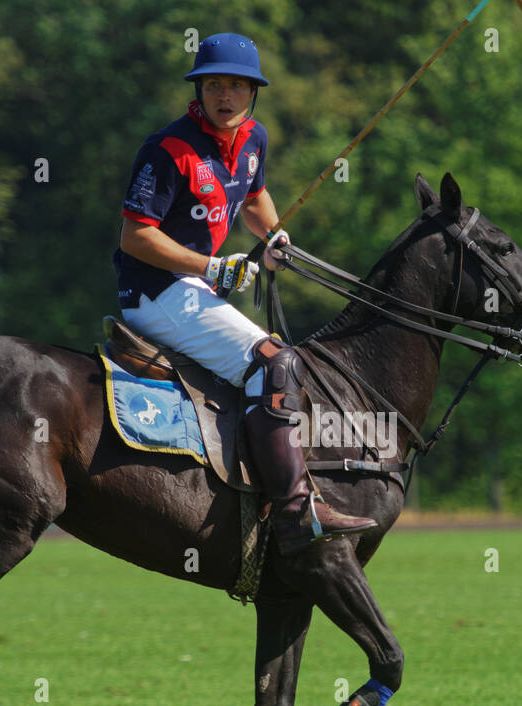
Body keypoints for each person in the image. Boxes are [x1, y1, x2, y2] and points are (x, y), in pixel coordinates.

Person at [113, 33, 376, 553]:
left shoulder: (254, 139)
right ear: (199, 90)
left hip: (195, 287)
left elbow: (252, 196)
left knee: (277, 360)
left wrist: (273, 235)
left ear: (253, 92)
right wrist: (213, 266)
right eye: (214, 84)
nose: (224, 95)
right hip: (154, 291)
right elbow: (134, 237)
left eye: (236, 85)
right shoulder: (169, 149)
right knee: (275, 361)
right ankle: (296, 509)